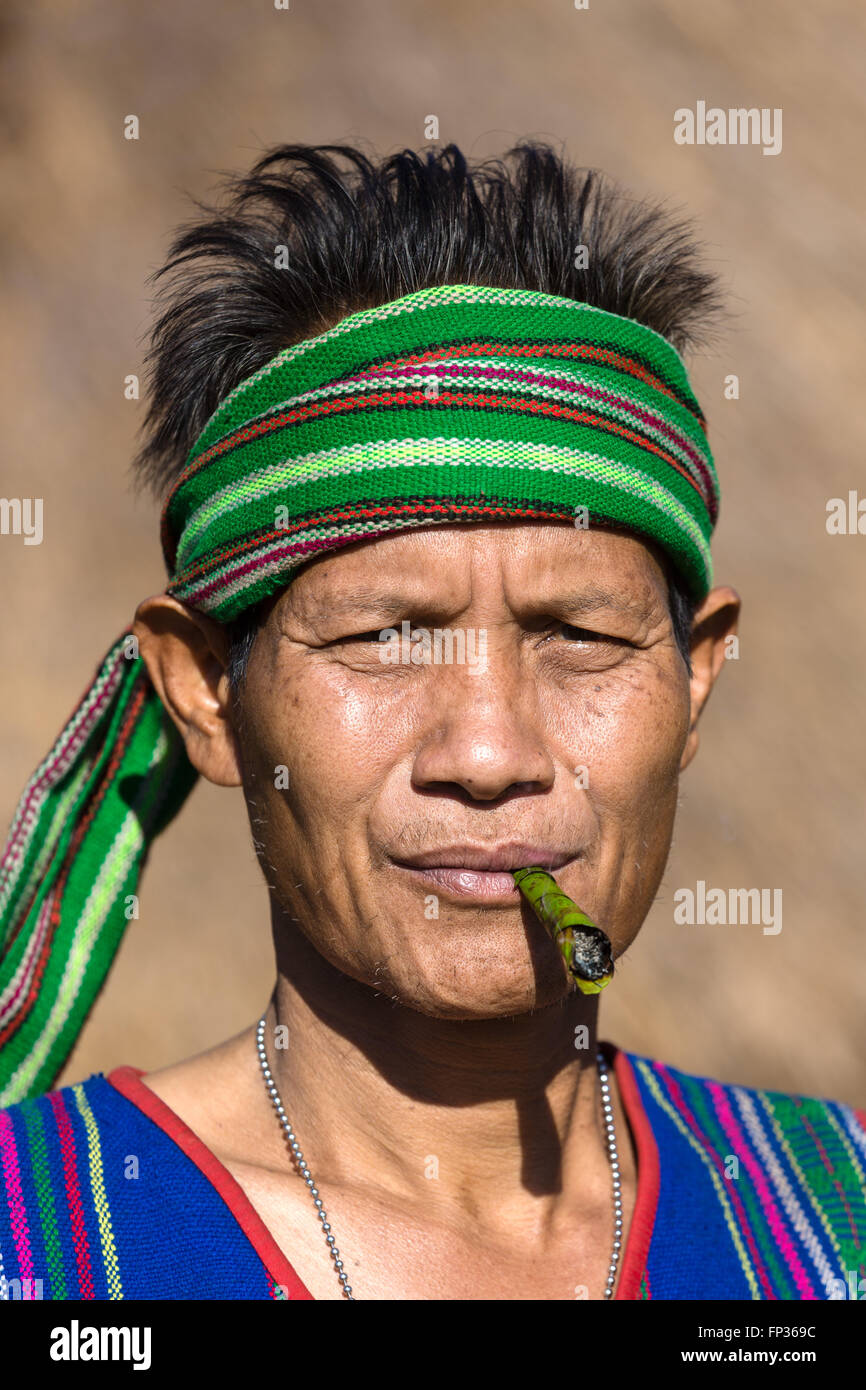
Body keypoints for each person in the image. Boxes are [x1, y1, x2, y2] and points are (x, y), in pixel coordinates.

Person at [0, 142, 863, 1302]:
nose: (490, 753)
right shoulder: (49, 1251)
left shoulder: (829, 1215)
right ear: (205, 689)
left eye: (578, 634)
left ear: (695, 674)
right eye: (382, 637)